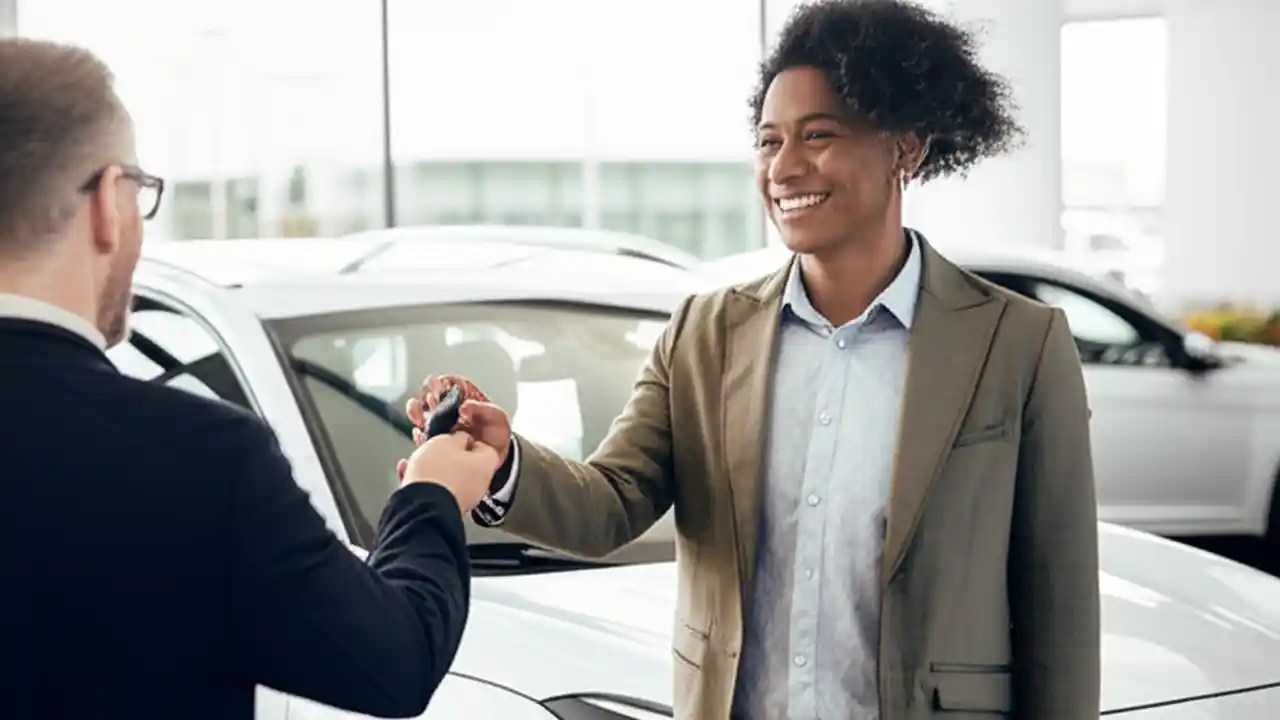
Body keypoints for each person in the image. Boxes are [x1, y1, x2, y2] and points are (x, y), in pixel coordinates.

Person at [410, 1, 1100, 718]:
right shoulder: (704, 334)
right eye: (769, 141)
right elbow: (609, 505)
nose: (785, 166)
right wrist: (503, 461)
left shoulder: (1017, 343)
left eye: (819, 135)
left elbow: (1060, 610)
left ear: (908, 147)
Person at [0, 39, 498, 719]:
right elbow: (394, 663)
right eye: (140, 192)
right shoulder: (199, 459)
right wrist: (432, 495)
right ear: (108, 204)